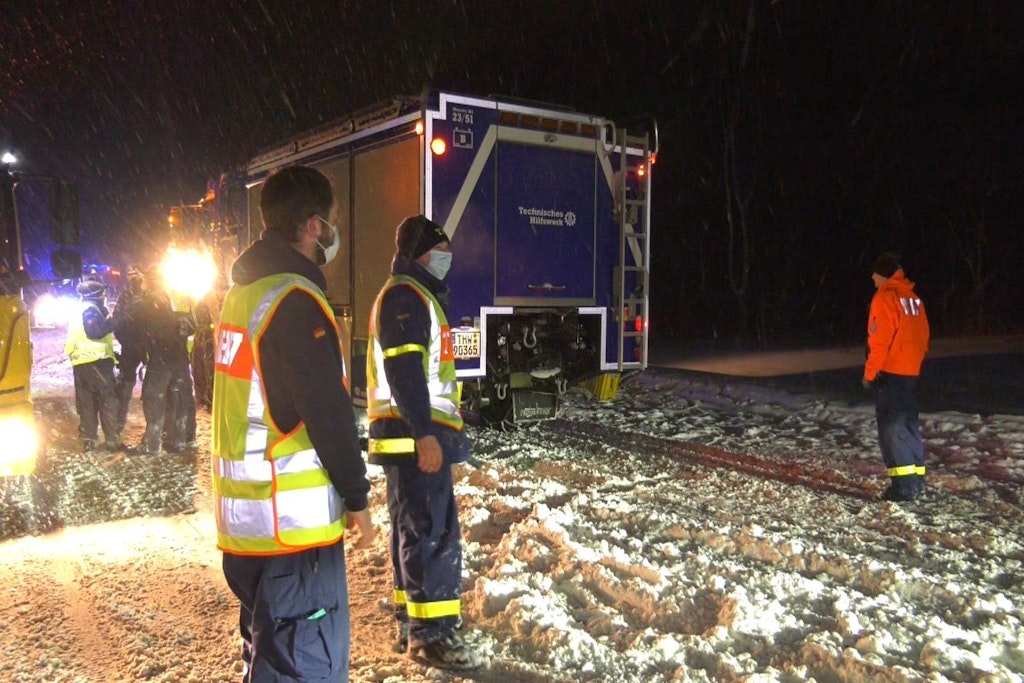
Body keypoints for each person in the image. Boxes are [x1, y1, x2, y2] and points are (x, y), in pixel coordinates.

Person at [211, 164, 375, 683]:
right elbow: (327, 411)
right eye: (332, 220)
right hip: (293, 537)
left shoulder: (243, 296)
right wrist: (357, 497)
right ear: (312, 226)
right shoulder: (294, 301)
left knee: (269, 658)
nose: (334, 231)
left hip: (248, 536)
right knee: (306, 666)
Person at [366, 215, 482, 671]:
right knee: (432, 533)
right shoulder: (406, 296)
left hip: (408, 436)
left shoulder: (412, 294)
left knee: (412, 528)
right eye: (440, 249)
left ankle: (411, 617)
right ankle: (432, 636)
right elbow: (405, 371)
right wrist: (425, 433)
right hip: (415, 436)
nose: (447, 257)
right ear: (419, 253)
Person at [863, 251, 930, 502]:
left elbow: (879, 340)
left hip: (890, 373)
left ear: (884, 274)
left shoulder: (885, 297)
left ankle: (904, 488)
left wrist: (870, 374)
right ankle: (917, 482)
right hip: (910, 373)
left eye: (875, 273)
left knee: (892, 430)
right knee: (909, 426)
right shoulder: (913, 299)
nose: (872, 278)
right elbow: (923, 336)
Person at [131, 278, 195, 455]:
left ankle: (152, 444)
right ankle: (181, 440)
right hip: (180, 358)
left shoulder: (151, 302)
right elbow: (192, 326)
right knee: (180, 399)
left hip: (160, 358)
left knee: (155, 399)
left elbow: (137, 326)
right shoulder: (182, 298)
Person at [65, 279, 121, 452]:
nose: (104, 297)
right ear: (96, 295)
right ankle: (111, 440)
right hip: (98, 363)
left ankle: (89, 440)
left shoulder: (79, 309)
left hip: (81, 364)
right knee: (107, 400)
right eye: (102, 294)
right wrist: (113, 321)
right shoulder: (91, 310)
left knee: (87, 403)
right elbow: (94, 332)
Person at [111, 266, 147, 434]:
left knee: (125, 388)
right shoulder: (147, 296)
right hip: (143, 347)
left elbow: (116, 323)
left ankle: (117, 428)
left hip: (133, 347)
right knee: (153, 389)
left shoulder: (125, 297)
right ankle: (156, 431)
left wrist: (126, 340)